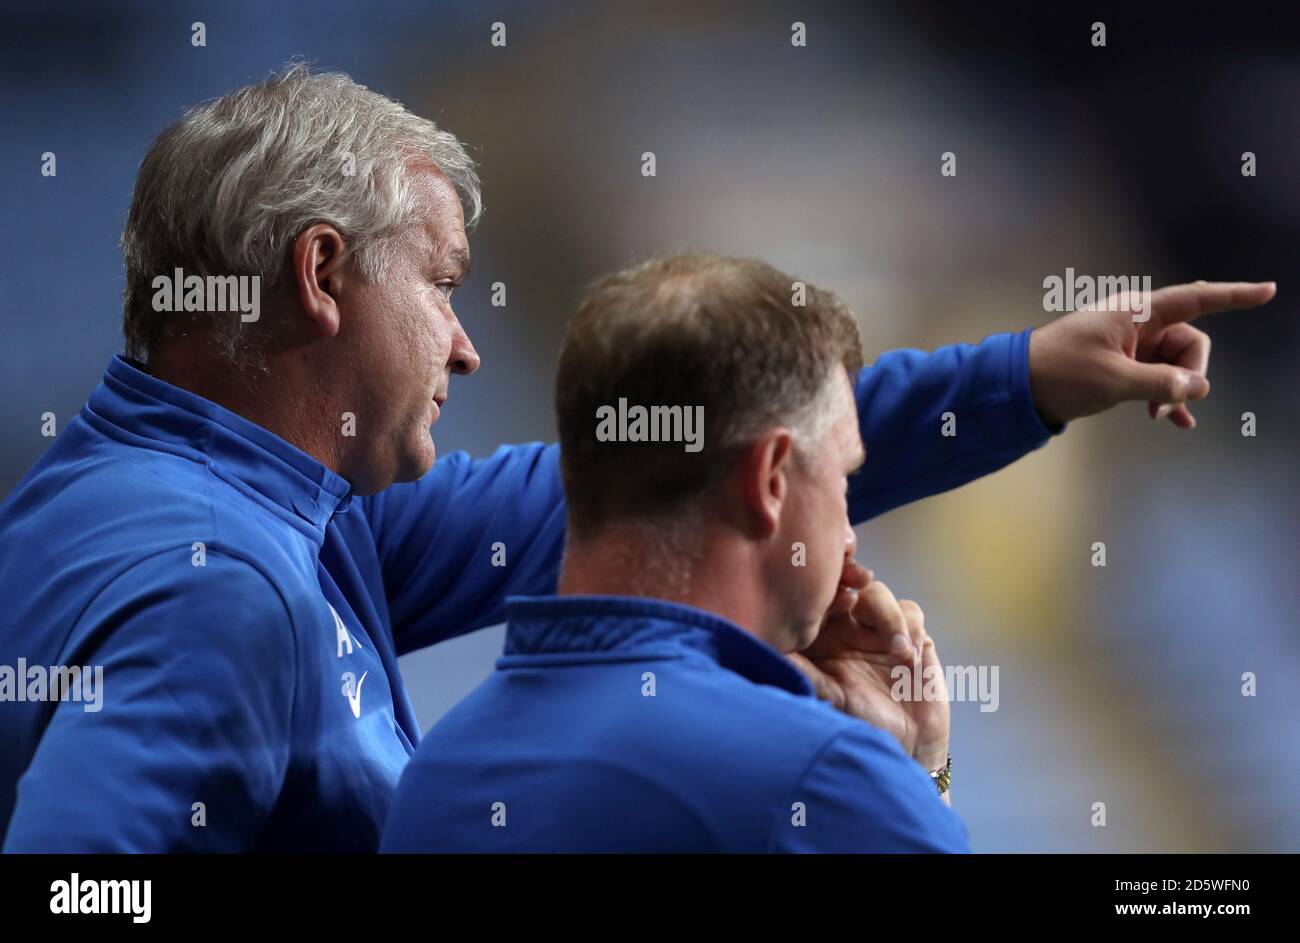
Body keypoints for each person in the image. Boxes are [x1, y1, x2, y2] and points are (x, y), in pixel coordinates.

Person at [0, 64, 1272, 852]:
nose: (464, 344)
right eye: (444, 286)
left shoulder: (233, 514)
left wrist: (1016, 378)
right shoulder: (227, 587)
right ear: (323, 276)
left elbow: (681, 469)